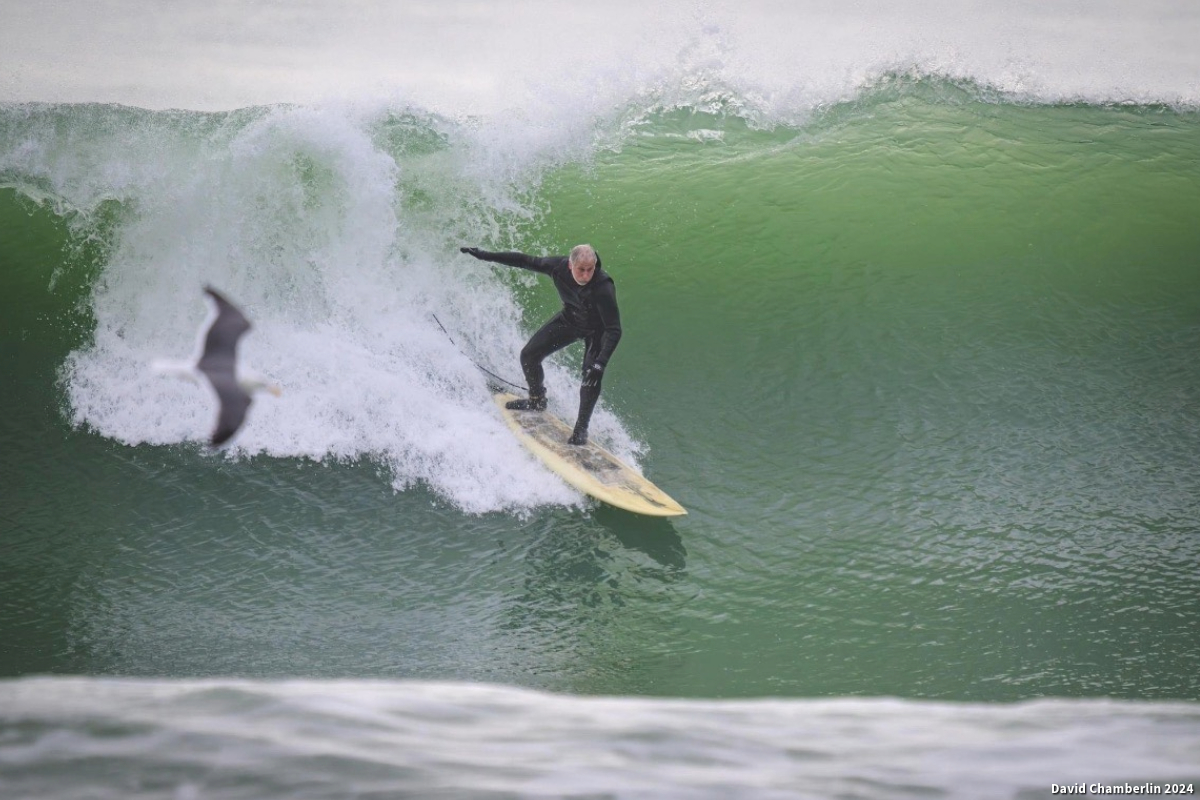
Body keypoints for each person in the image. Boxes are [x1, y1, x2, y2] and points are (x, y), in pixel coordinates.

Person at [460, 243, 621, 446]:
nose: (587, 275)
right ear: (571, 265)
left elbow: (614, 329)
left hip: (597, 331)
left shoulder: (603, 287)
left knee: (590, 378)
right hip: (570, 320)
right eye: (582, 269)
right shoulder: (557, 267)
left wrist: (600, 364)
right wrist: (485, 255)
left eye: (591, 269)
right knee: (529, 356)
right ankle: (537, 400)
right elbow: (524, 260)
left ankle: (581, 430)